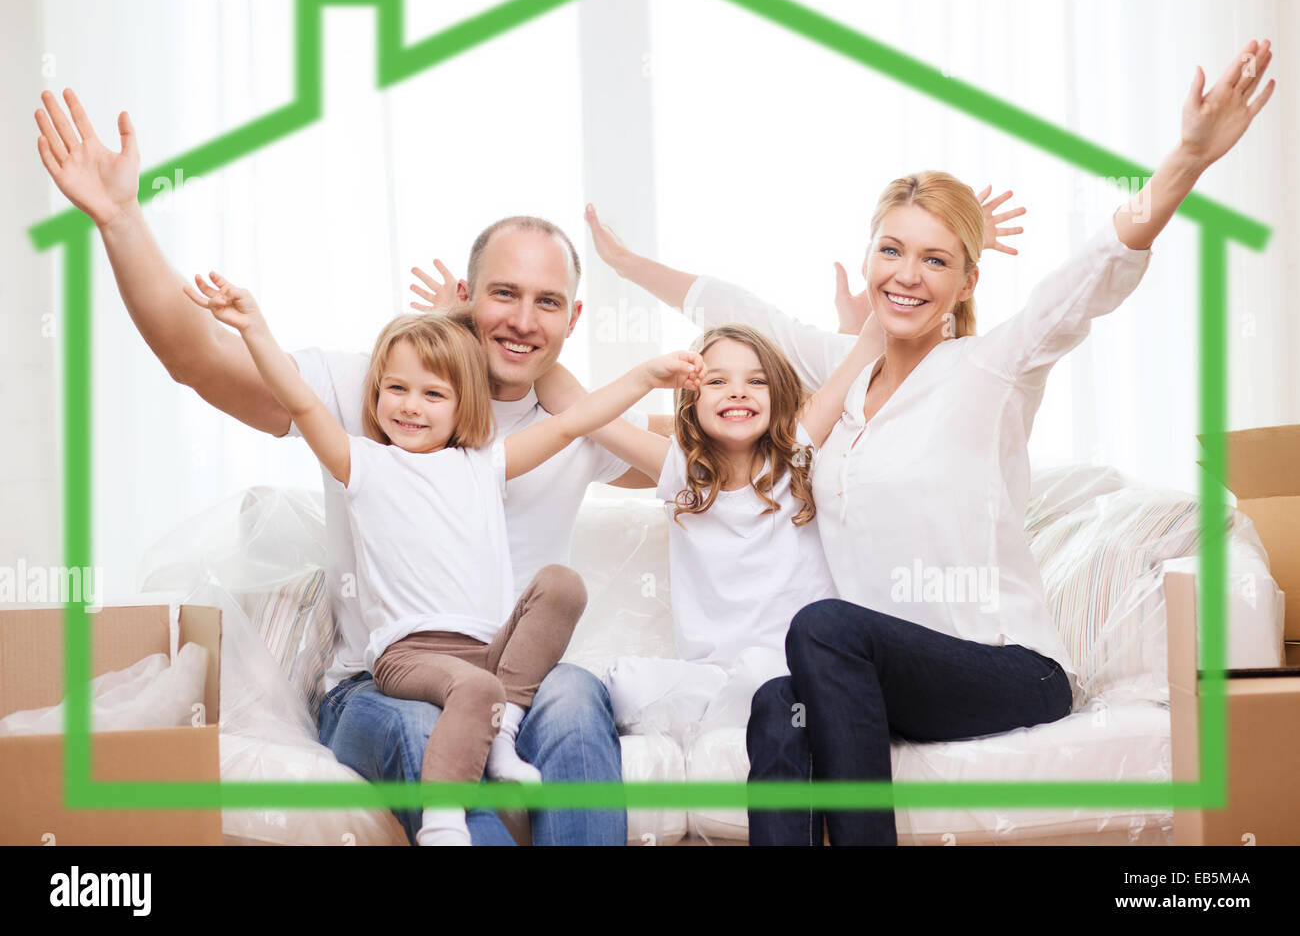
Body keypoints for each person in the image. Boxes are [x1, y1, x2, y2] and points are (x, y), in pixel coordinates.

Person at [579, 39, 1276, 844]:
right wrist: (625, 265)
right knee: (778, 702)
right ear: (869, 256)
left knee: (820, 627)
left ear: (967, 281)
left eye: (935, 258)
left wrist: (1183, 162)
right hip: (875, 671)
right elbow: (739, 307)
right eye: (892, 250)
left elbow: (1087, 282)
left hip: (1004, 667)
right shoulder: (845, 373)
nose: (907, 275)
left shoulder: (991, 368)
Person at [33, 92, 654, 846]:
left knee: (579, 703)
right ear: (466, 297)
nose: (523, 320)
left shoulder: (577, 432)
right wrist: (122, 220)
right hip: (381, 684)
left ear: (573, 319)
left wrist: (557, 386)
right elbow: (196, 358)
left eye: (547, 303)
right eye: (504, 295)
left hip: (513, 683)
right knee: (421, 729)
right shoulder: (379, 393)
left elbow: (710, 468)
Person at [185, 273, 702, 844]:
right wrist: (255, 329)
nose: (411, 407)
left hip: (484, 654)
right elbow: (301, 400)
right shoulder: (361, 465)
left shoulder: (484, 467)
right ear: (374, 394)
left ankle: (502, 731)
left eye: (433, 395)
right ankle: (444, 821)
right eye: (396, 390)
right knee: (474, 692)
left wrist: (646, 376)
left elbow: (578, 421)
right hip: (406, 656)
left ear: (464, 407)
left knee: (561, 586)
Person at [531, 319, 877, 743]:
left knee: (761, 674)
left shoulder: (797, 453)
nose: (738, 391)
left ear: (781, 397)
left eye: (756, 381)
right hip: (712, 676)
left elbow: (869, 347)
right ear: (691, 403)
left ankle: (738, 719)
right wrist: (479, 323)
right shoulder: (680, 473)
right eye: (717, 381)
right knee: (626, 682)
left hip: (789, 669)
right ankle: (734, 721)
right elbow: (571, 401)